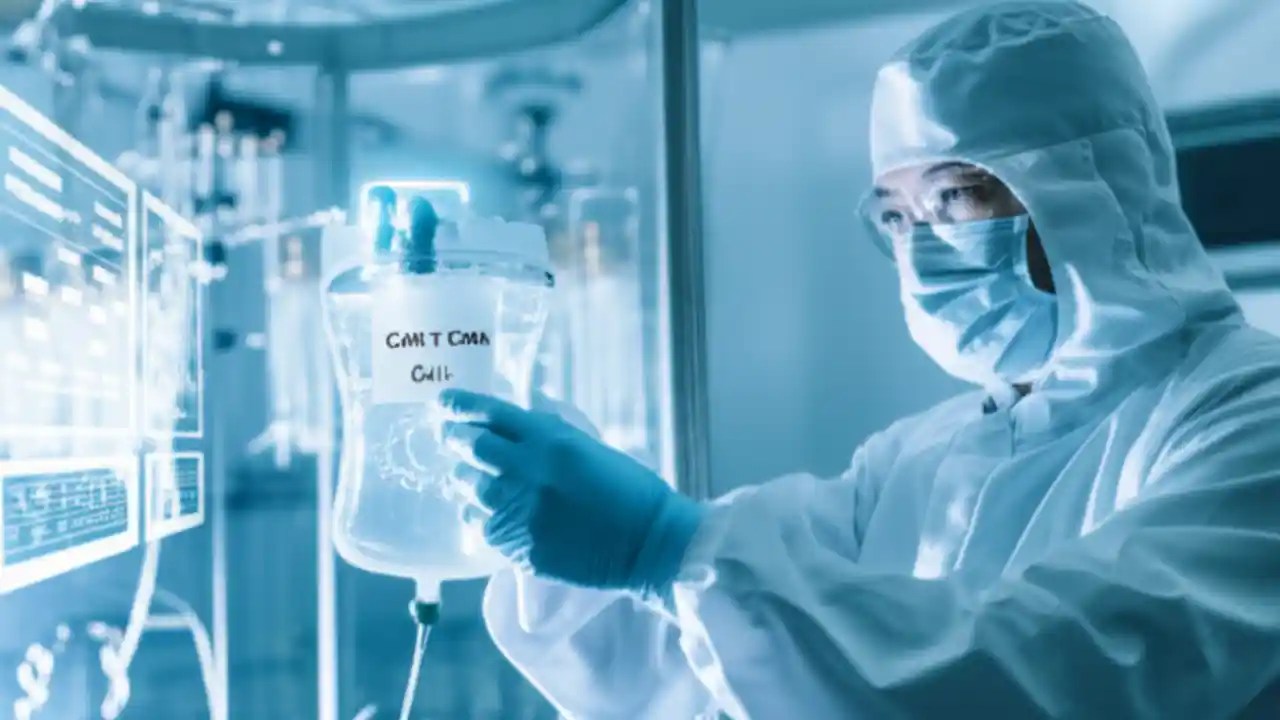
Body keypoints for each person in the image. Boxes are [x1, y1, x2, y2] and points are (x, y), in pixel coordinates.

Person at [439, 1, 1280, 717]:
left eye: (953, 195)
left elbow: (1054, 668)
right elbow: (704, 670)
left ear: (1096, 190)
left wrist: (662, 546)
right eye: (896, 214)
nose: (919, 248)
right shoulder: (919, 456)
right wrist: (523, 452)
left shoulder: (1244, 415)